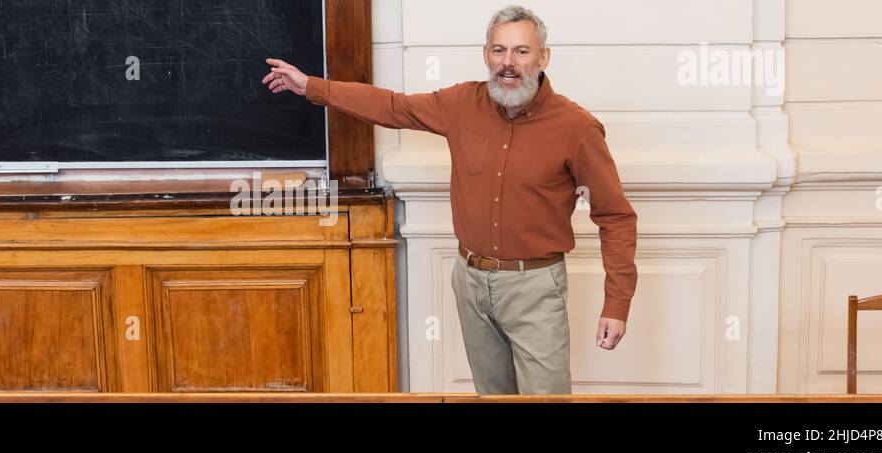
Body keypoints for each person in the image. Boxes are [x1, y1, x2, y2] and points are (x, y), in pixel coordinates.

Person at [261, 5, 638, 394]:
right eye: (498, 50)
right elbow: (392, 106)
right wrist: (312, 87)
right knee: (492, 396)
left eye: (521, 52)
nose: (508, 63)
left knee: (545, 400)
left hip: (535, 287)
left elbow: (615, 216)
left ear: (543, 57)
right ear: (486, 54)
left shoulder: (576, 128)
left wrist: (616, 304)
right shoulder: (461, 104)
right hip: (470, 282)